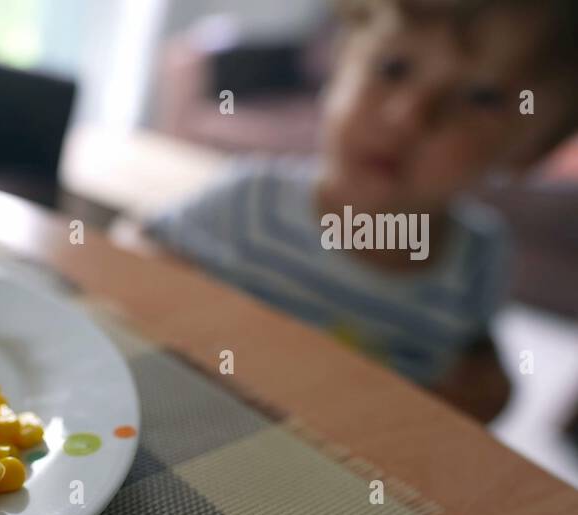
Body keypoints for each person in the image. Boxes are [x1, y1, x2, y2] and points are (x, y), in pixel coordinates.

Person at [140, 0, 578, 422]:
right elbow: (135, 259)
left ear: (532, 148)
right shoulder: (250, 200)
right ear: (341, 63)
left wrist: (487, 392)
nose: (408, 116)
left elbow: (477, 367)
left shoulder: (479, 258)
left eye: (480, 97)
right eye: (393, 69)